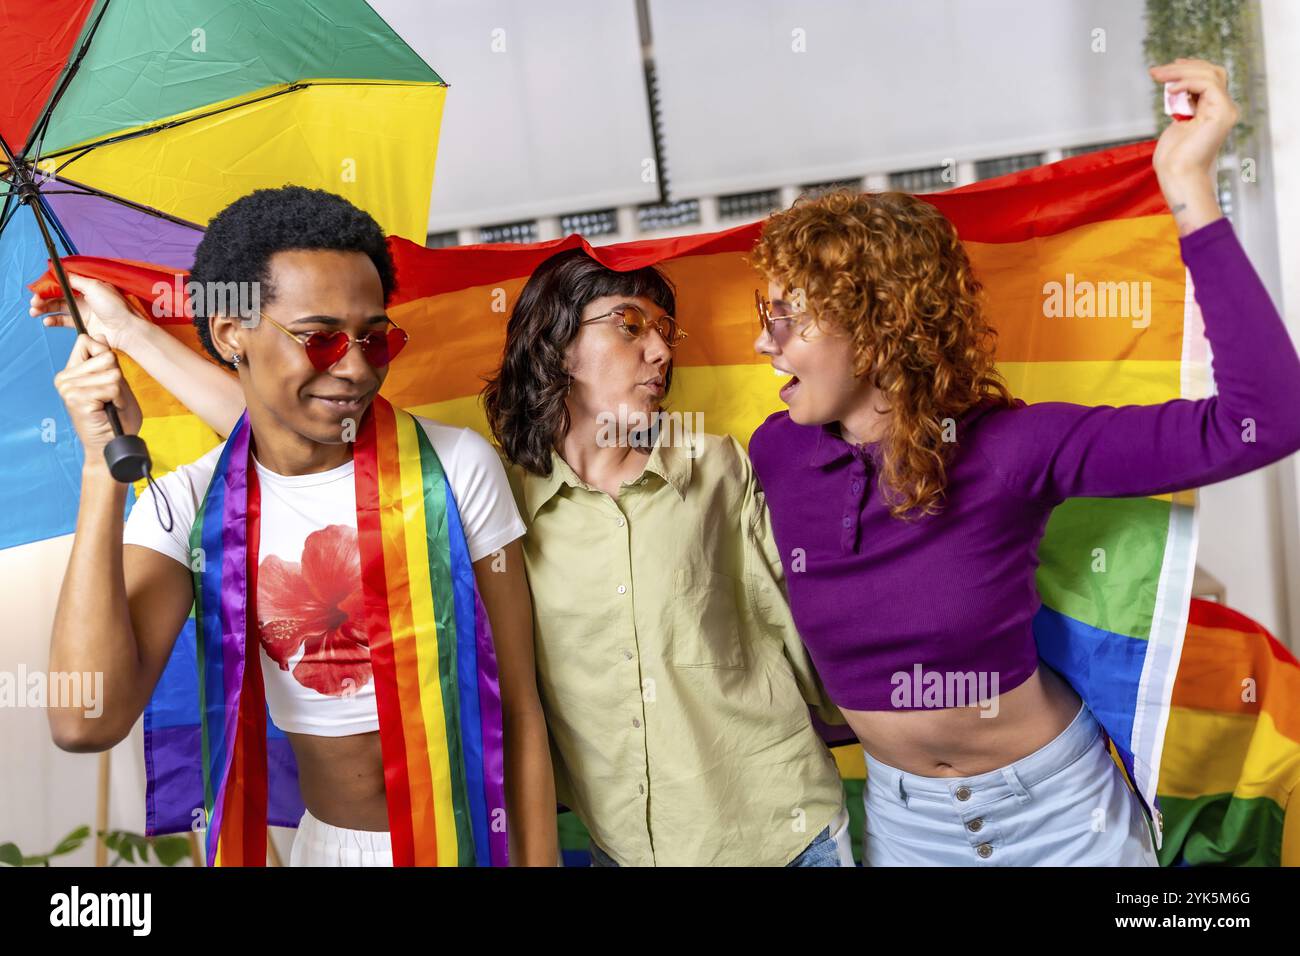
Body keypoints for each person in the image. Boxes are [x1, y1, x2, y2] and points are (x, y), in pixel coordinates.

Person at [745, 59, 1300, 865]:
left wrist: (1188, 184)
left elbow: (1266, 420)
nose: (764, 343)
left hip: (1062, 820)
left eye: (788, 319)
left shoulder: (1014, 448)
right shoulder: (776, 451)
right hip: (907, 830)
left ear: (873, 329)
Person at [40, 186, 557, 866]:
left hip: (470, 843)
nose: (354, 367)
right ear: (232, 333)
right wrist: (100, 465)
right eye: (319, 339)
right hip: (330, 849)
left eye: (375, 337)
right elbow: (85, 719)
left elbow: (519, 709)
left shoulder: (454, 470)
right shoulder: (190, 504)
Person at [483, 249, 852, 866]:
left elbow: (804, 624)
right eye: (629, 326)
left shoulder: (718, 466)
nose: (660, 352)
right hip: (622, 851)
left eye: (664, 332)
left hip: (785, 838)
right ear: (557, 343)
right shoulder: (501, 506)